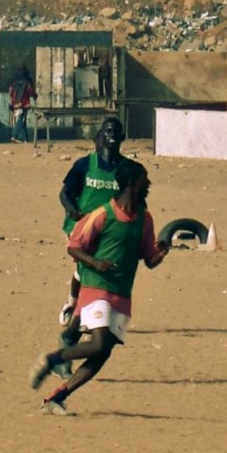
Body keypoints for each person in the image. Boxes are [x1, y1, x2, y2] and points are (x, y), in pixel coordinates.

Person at [29, 159, 167, 415]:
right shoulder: (102, 214)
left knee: (102, 354)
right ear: (130, 183)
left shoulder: (144, 219)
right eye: (144, 180)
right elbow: (74, 246)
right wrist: (96, 263)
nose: (148, 184)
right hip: (96, 288)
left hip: (122, 294)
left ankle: (57, 397)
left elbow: (148, 260)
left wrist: (162, 253)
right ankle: (52, 359)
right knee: (98, 343)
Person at [56, 116, 127, 340]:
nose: (111, 135)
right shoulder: (85, 165)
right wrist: (73, 210)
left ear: (123, 137)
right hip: (81, 227)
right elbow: (65, 193)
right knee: (90, 270)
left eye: (116, 131)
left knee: (93, 272)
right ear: (100, 137)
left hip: (109, 230)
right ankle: (79, 312)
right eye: (107, 131)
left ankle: (78, 306)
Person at [7, 69, 35, 141]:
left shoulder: (13, 82)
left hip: (15, 104)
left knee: (22, 119)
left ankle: (26, 138)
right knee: (21, 119)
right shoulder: (28, 81)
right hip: (24, 104)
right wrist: (35, 96)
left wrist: (11, 102)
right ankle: (14, 135)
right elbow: (31, 91)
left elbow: (10, 91)